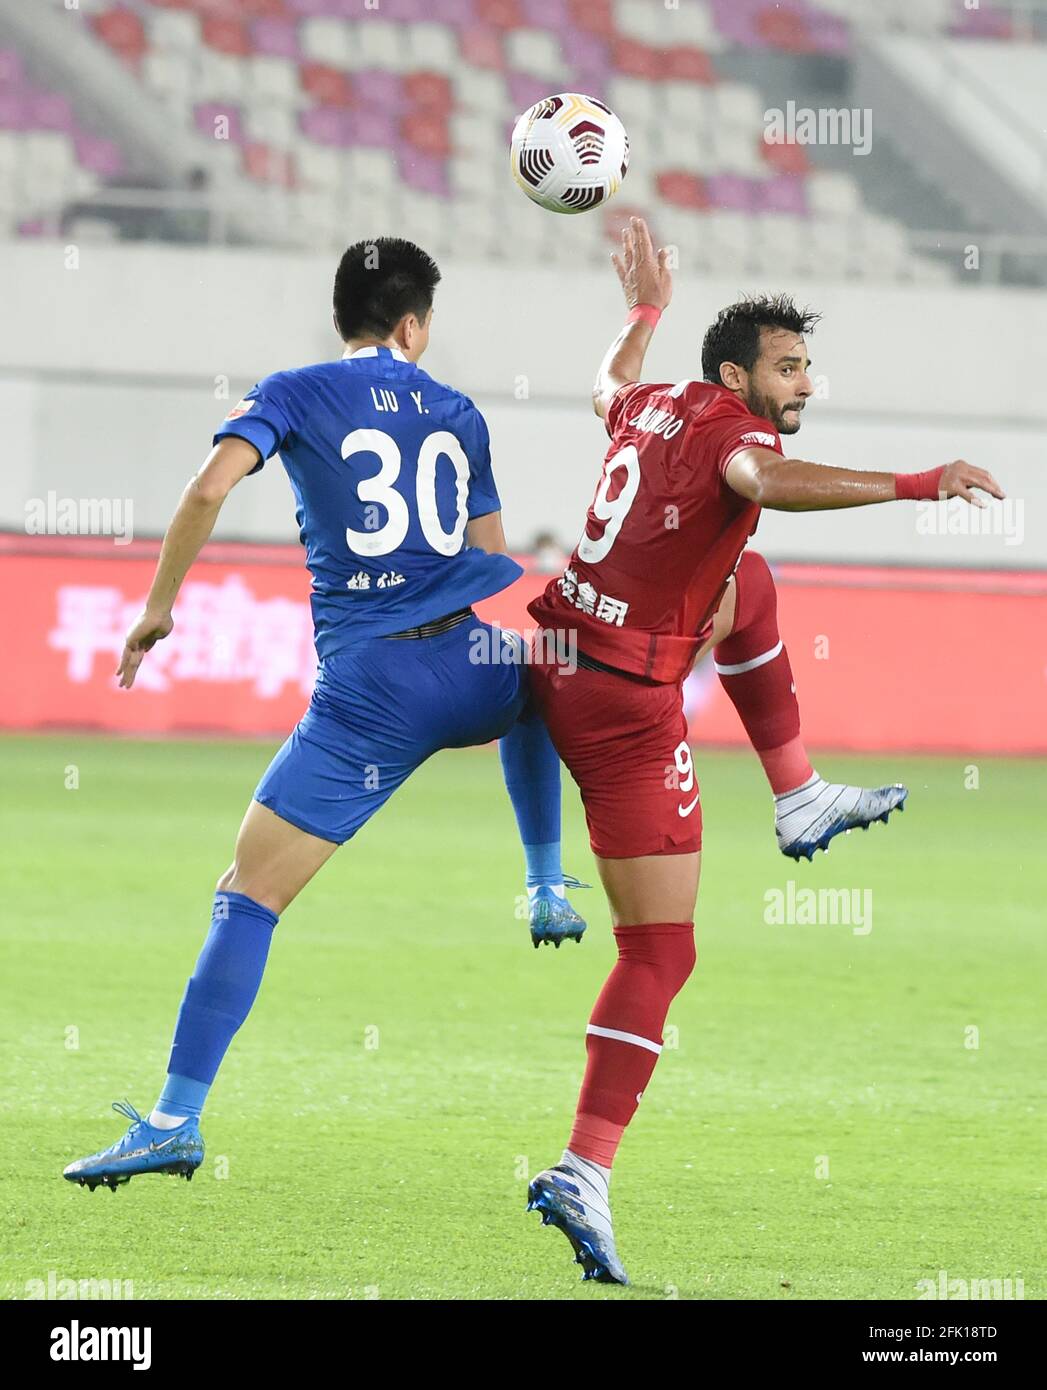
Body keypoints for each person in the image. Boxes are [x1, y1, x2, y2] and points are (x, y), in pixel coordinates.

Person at [523, 217, 1004, 1283]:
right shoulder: (740, 435)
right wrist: (920, 484)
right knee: (662, 952)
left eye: (808, 366)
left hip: (556, 647)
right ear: (737, 373)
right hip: (619, 701)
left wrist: (643, 308)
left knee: (750, 585)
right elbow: (764, 482)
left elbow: (605, 379)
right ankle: (583, 1167)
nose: (806, 383)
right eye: (790, 367)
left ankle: (797, 795)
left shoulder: (653, 404)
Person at [63, 236, 583, 1193]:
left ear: (341, 314)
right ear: (414, 326)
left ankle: (175, 1120)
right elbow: (493, 555)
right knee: (544, 675)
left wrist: (158, 609)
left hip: (372, 694)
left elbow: (210, 486)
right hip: (469, 665)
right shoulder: (460, 413)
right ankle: (548, 882)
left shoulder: (296, 390)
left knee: (247, 894)